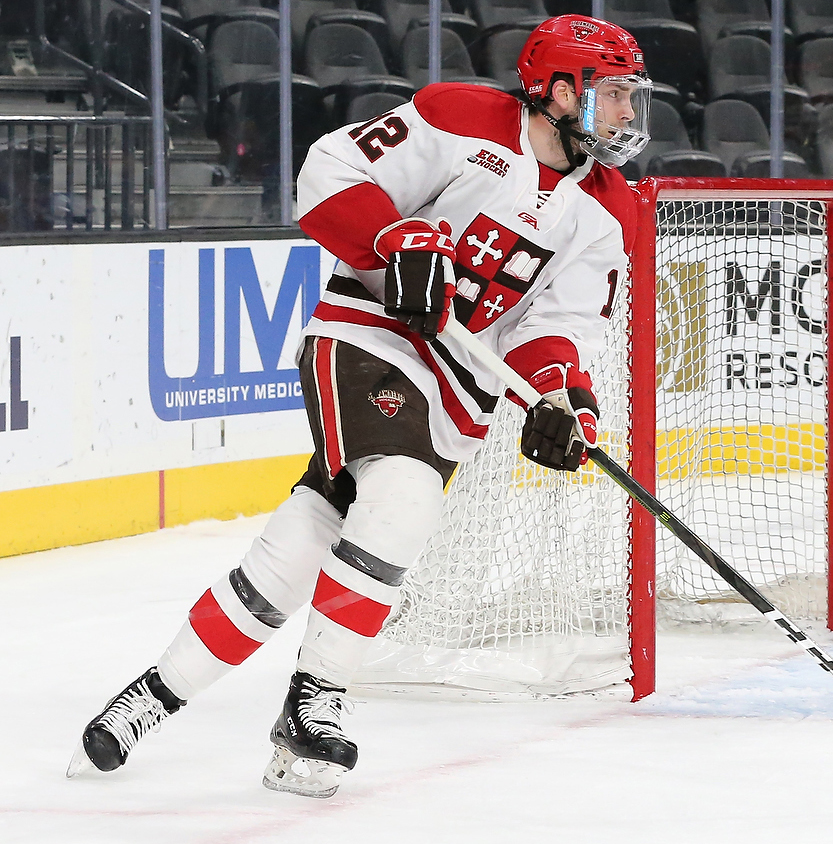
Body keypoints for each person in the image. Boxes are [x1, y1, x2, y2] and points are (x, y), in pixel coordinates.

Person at [66, 15, 650, 797]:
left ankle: (150, 697)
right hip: (367, 334)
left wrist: (559, 398)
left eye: (631, 96)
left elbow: (556, 326)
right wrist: (396, 240)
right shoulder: (460, 116)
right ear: (560, 90)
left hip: (455, 387)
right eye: (613, 93)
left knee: (304, 540)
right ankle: (315, 702)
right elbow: (331, 170)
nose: (627, 113)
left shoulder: (611, 209)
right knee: (404, 496)